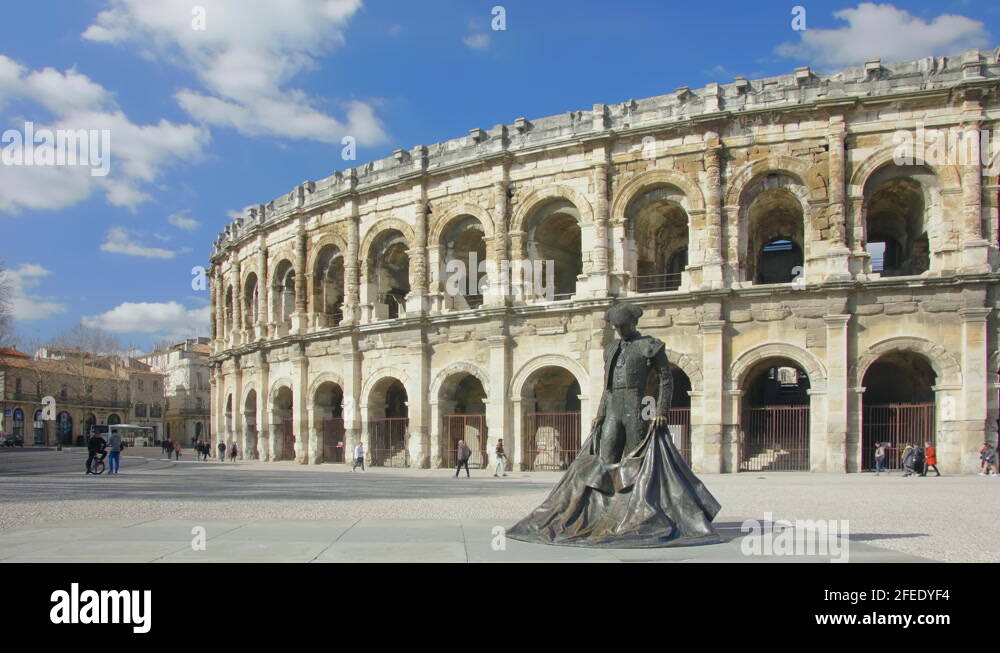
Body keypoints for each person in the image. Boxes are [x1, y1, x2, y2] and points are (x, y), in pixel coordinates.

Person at [507, 303, 720, 548]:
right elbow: (607, 388)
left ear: (633, 323)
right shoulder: (611, 348)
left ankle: (633, 509)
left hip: (635, 404)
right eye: (616, 327)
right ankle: (602, 511)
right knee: (604, 457)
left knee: (634, 458)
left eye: (623, 326)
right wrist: (599, 414)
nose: (619, 330)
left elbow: (666, 380)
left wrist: (661, 411)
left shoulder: (650, 345)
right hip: (613, 406)